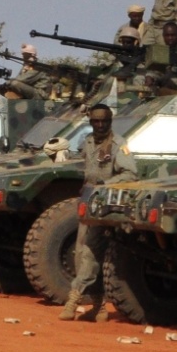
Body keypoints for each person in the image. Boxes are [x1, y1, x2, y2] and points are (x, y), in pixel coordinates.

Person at [58, 104, 137, 320]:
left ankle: (74, 300)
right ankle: (99, 305)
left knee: (89, 253)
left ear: (110, 122)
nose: (100, 125)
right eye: (95, 121)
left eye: (104, 121)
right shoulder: (88, 142)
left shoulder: (118, 144)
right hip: (89, 204)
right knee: (81, 253)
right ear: (90, 122)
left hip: (106, 206)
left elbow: (130, 173)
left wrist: (105, 183)